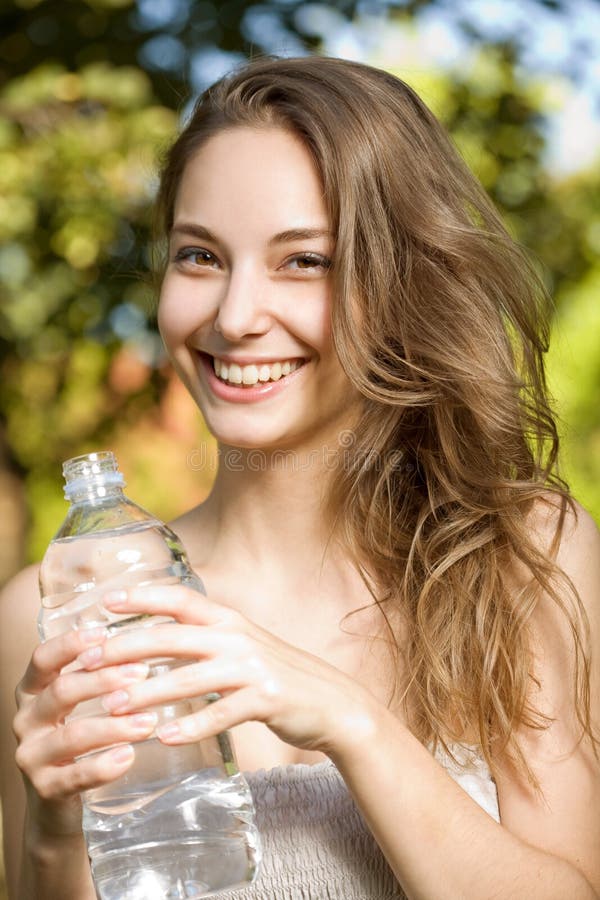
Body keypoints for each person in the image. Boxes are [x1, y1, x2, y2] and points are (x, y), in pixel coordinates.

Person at [0, 55, 599, 900]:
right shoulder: (51, 612)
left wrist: (352, 723)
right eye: (200, 256)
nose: (236, 317)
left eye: (304, 262)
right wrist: (57, 836)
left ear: (399, 285)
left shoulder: (518, 554)